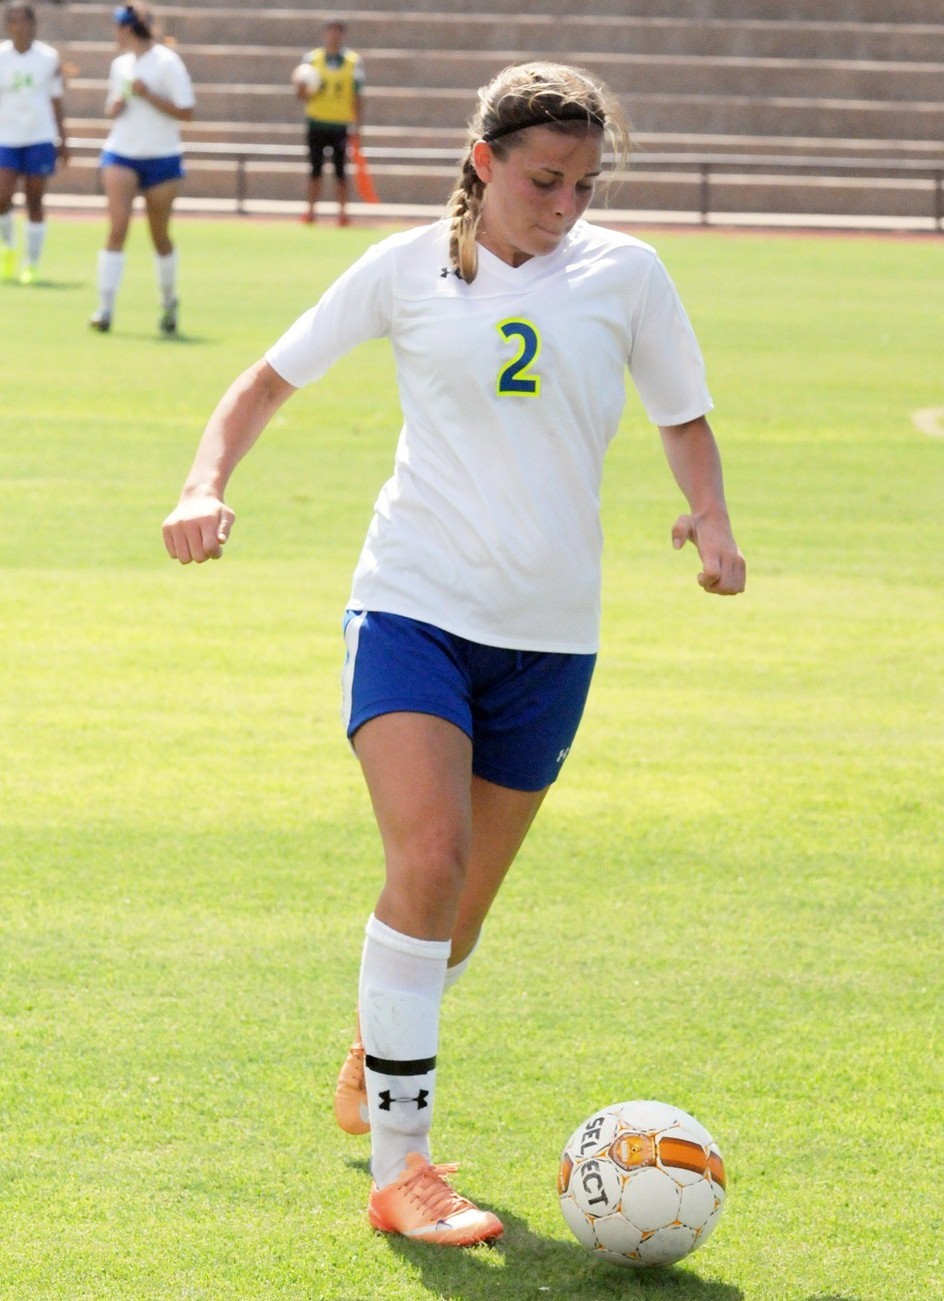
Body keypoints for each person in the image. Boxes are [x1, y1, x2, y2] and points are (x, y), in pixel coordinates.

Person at [162, 61, 745, 1247]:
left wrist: (712, 513)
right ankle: (403, 1165)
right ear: (482, 163)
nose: (567, 203)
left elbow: (683, 412)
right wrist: (202, 482)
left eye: (585, 183)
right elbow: (263, 382)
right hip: (412, 604)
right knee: (427, 860)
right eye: (544, 180)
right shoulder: (402, 269)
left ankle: (382, 1041)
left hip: (552, 635)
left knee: (458, 919)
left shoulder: (628, 273)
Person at [90, 4, 193, 334]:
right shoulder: (121, 65)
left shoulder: (166, 62)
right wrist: (116, 107)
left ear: (128, 29)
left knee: (159, 236)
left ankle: (168, 302)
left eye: (117, 28)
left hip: (161, 156)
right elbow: (112, 107)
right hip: (122, 152)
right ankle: (105, 308)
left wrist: (148, 96)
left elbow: (186, 111)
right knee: (117, 227)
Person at [0, 2, 67, 284]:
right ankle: (7, 249)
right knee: (2, 196)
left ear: (33, 24)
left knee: (34, 199)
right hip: (6, 136)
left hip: (39, 136)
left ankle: (33, 262)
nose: (19, 27)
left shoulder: (48, 58)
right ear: (7, 26)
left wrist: (64, 136)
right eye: (13, 21)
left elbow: (55, 99)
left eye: (24, 21)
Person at [294, 18, 364, 226]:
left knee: (340, 171)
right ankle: (310, 211)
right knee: (315, 169)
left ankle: (342, 213)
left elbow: (357, 95)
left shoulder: (353, 62)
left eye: (338, 32)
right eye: (331, 31)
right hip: (317, 121)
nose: (334, 36)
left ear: (342, 35)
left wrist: (357, 125)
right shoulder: (311, 60)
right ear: (325, 34)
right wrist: (302, 89)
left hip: (340, 123)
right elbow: (300, 93)